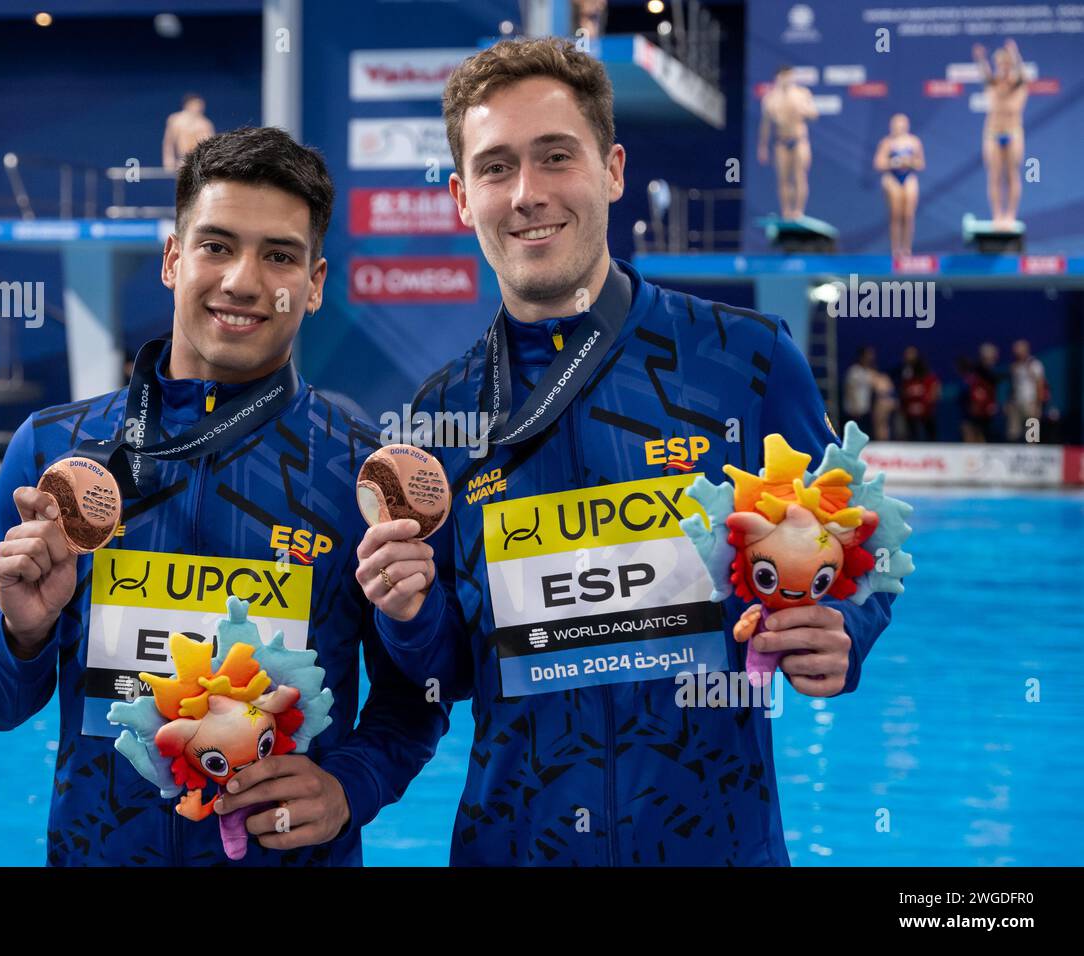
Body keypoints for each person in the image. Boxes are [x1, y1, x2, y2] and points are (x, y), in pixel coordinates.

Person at [354, 38, 896, 866]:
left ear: (611, 170)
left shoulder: (742, 362)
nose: (528, 194)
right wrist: (406, 613)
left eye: (555, 158)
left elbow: (868, 535)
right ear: (463, 199)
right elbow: (450, 674)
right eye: (497, 168)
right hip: (513, 844)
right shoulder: (440, 420)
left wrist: (845, 626)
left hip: (717, 843)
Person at [0, 127, 448, 866]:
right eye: (216, 245)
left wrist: (351, 785)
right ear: (172, 259)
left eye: (279, 255)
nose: (243, 281)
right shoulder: (55, 453)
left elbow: (425, 692)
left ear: (314, 284)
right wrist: (24, 633)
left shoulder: (362, 473)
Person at [972, 40, 1028, 228]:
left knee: (1011, 173)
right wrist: (980, 58)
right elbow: (984, 73)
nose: (1003, 68)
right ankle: (997, 215)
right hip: (992, 132)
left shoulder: (1018, 85)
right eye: (1000, 65)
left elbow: (1021, 74)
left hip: (1013, 132)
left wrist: (1015, 54)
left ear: (1011, 65)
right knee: (994, 175)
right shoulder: (992, 84)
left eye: (1007, 65)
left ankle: (1010, 215)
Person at [758, 65, 818, 219]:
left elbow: (814, 114)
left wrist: (803, 109)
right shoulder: (770, 99)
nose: (786, 80)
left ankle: (798, 211)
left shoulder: (802, 94)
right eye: (783, 77)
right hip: (781, 142)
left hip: (799, 140)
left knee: (800, 176)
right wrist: (763, 146)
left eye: (789, 76)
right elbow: (765, 125)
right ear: (777, 78)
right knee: (783, 178)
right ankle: (786, 211)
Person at [873, 114, 925, 257]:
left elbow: (921, 164)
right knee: (896, 215)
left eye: (901, 124)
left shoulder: (914, 142)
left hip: (908, 177)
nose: (899, 127)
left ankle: (907, 248)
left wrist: (909, 162)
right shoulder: (887, 143)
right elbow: (878, 163)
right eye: (896, 124)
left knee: (908, 215)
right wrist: (894, 163)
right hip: (893, 178)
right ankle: (895, 249)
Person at [162, 93, 217, 171]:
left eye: (200, 106)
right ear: (188, 105)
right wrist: (168, 159)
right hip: (182, 159)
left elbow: (210, 145)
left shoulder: (205, 124)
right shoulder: (175, 120)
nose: (198, 108)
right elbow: (168, 142)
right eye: (196, 105)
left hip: (199, 160)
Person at [959, 342, 1001, 443]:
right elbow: (965, 392)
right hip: (971, 414)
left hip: (987, 416)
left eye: (992, 358)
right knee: (970, 435)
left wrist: (992, 405)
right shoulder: (973, 373)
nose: (990, 361)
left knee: (984, 438)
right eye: (986, 358)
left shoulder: (994, 375)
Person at [896, 346, 940, 442]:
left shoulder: (925, 372)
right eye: (907, 354)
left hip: (926, 410)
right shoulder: (902, 371)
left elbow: (934, 387)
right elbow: (902, 391)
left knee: (930, 434)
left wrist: (929, 401)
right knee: (912, 435)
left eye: (911, 354)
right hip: (909, 412)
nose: (908, 357)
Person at [1006, 338, 1046, 441]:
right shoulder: (1014, 366)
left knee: (1031, 436)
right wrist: (1009, 402)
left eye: (1018, 349)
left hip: (1031, 402)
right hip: (1016, 403)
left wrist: (1038, 403)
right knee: (1013, 434)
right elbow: (1013, 386)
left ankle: (1032, 455)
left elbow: (1040, 384)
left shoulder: (1034, 364)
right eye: (1015, 349)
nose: (1016, 352)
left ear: (1026, 350)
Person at [843, 346, 877, 436]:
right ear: (862, 356)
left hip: (865, 409)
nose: (870, 357)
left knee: (865, 434)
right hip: (854, 409)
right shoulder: (854, 371)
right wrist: (854, 406)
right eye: (868, 355)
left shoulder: (870, 372)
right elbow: (850, 389)